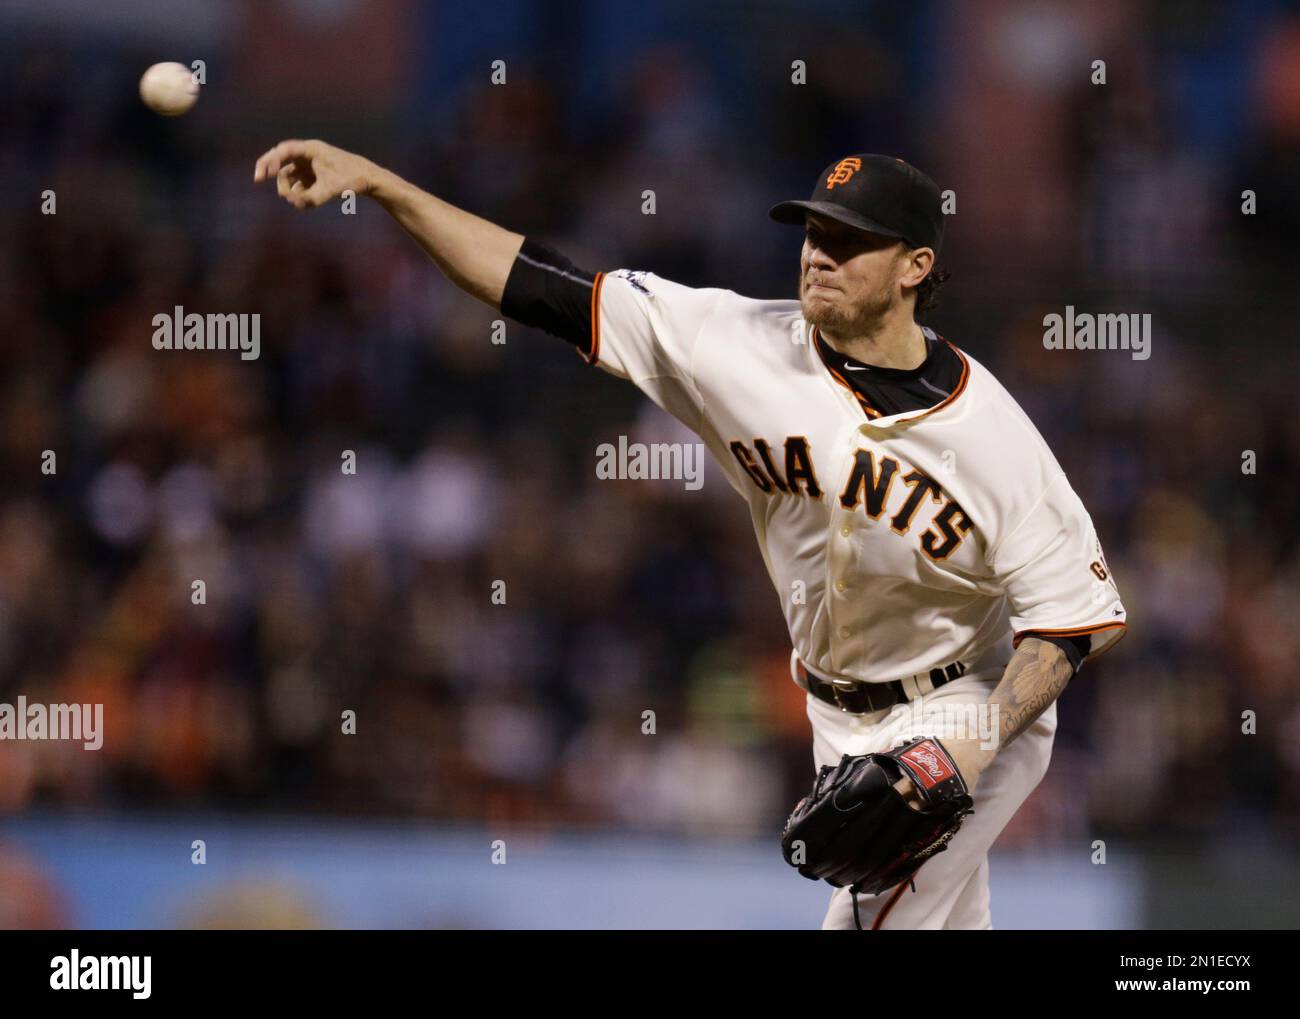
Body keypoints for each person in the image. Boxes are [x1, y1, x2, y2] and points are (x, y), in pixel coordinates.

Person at [253, 142, 1127, 929]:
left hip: (968, 708)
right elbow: (536, 283)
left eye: (849, 240)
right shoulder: (734, 344)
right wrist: (380, 183)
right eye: (813, 231)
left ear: (915, 266)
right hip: (835, 708)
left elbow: (1075, 621)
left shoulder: (993, 434)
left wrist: (966, 748)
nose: (819, 254)